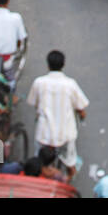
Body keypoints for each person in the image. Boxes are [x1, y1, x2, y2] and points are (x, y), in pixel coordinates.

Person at [26, 50, 90, 182]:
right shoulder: (70, 84)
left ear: (48, 65)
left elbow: (34, 102)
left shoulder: (39, 82)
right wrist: (82, 116)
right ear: (63, 65)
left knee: (39, 162)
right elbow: (81, 107)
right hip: (65, 135)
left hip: (44, 135)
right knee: (70, 162)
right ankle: (68, 182)